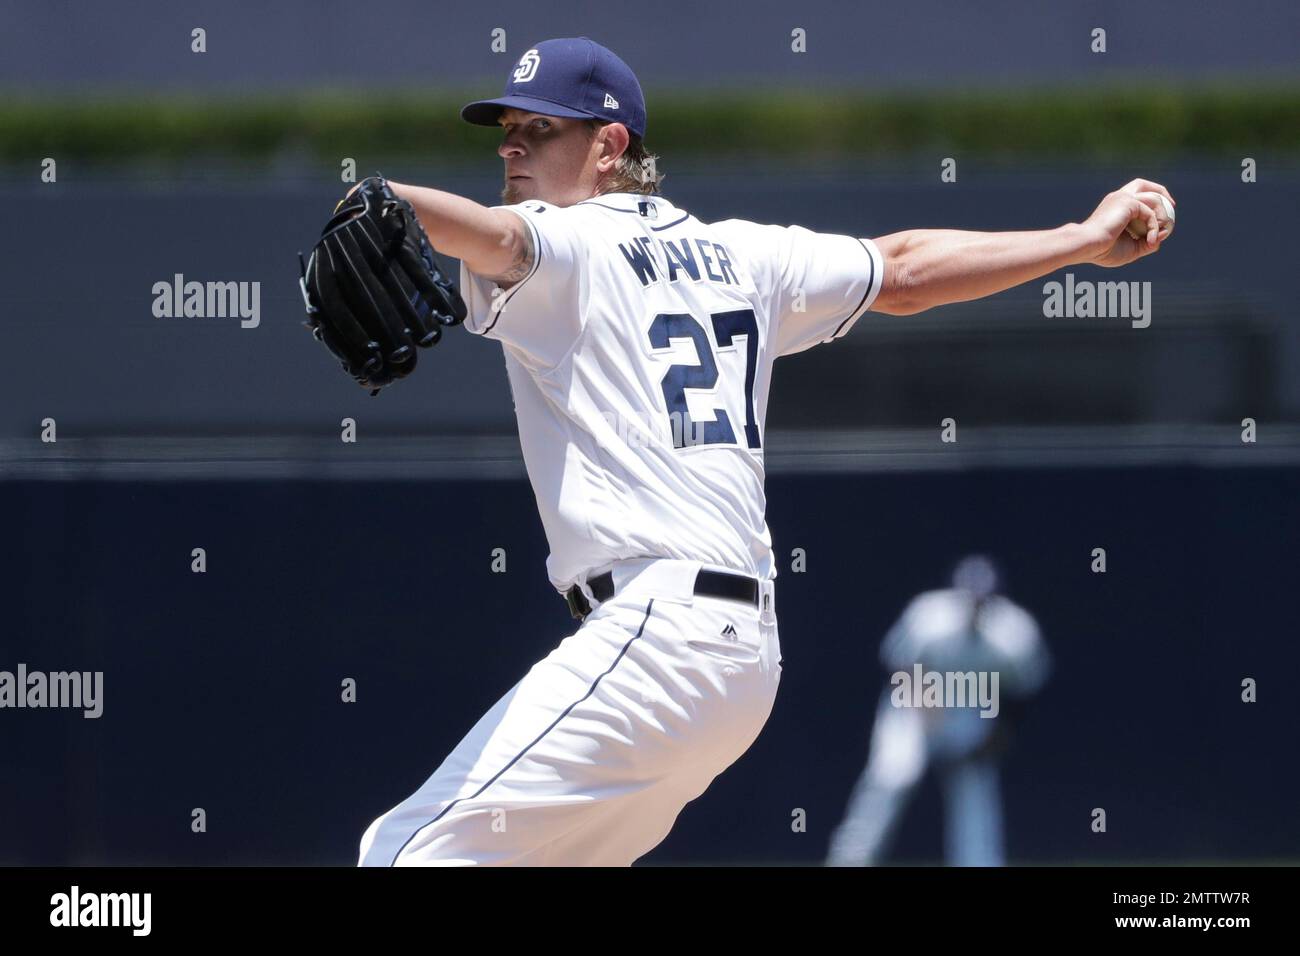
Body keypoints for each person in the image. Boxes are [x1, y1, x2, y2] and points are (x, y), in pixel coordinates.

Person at [356, 36, 1171, 866]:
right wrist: (1080, 238)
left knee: (403, 852)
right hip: (739, 664)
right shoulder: (742, 252)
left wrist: (383, 200)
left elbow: (499, 239)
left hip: (654, 638)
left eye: (541, 128)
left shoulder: (566, 241)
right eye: (507, 129)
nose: (511, 147)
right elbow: (903, 269)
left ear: (609, 146)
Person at [825, 556, 1051, 866]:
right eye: (970, 598)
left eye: (983, 600)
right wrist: (930, 715)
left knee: (975, 788)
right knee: (894, 775)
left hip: (969, 707)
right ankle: (850, 860)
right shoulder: (929, 617)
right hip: (912, 705)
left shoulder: (1014, 634)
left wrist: (996, 737)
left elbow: (1023, 693)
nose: (975, 606)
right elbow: (900, 667)